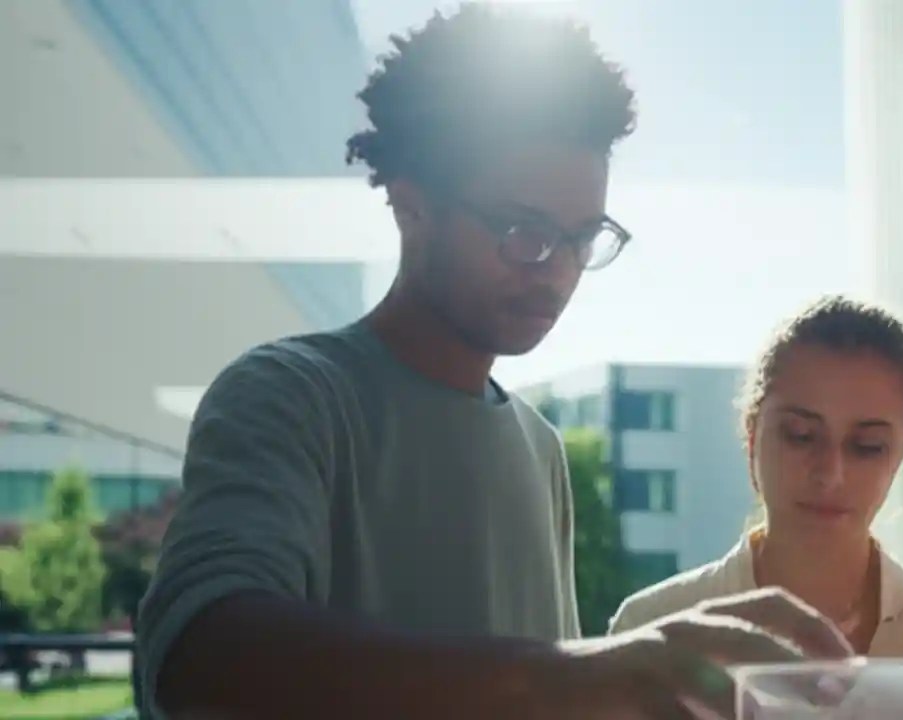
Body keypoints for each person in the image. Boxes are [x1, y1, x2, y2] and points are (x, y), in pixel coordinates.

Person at [135, 6, 852, 719]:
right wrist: (567, 676)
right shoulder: (291, 396)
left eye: (582, 236)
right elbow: (199, 655)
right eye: (523, 231)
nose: (559, 271)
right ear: (412, 209)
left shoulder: (539, 446)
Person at [610, 296, 903, 657]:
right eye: (799, 436)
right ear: (751, 435)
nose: (829, 474)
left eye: (867, 446)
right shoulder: (655, 629)